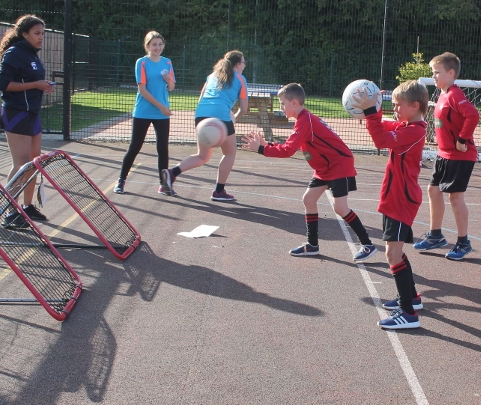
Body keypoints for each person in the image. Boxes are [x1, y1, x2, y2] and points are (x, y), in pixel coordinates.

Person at [240, 83, 377, 262]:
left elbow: (288, 151)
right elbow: (289, 146)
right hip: (325, 168)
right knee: (309, 199)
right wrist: (267, 146)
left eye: (283, 103)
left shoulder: (305, 121)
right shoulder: (303, 120)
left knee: (340, 208)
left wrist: (261, 149)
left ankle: (368, 244)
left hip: (338, 165)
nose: (281, 107)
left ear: (294, 103)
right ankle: (312, 245)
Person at [350, 81, 428, 330]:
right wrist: (373, 109)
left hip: (401, 201)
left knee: (392, 254)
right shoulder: (407, 124)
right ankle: (412, 299)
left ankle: (408, 314)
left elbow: (380, 139)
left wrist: (372, 114)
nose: (394, 109)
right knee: (397, 252)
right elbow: (382, 127)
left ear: (415, 106)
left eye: (398, 105)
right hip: (395, 198)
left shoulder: (415, 130)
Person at [413, 52, 480, 260]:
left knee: (455, 197)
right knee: (433, 190)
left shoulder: (455, 95)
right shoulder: (443, 94)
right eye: (432, 73)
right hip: (444, 155)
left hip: (460, 156)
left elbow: (473, 115)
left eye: (437, 72)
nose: (433, 76)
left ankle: (463, 242)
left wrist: (462, 139)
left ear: (451, 73)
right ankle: (435, 235)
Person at [160, 50, 248, 201]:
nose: (245, 65)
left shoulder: (212, 76)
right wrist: (234, 119)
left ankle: (172, 173)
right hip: (220, 116)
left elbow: (202, 97)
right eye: (244, 62)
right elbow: (244, 108)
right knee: (230, 153)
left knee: (202, 156)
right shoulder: (240, 79)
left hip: (201, 115)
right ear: (238, 64)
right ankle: (219, 191)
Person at [0, 14, 55, 229]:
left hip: (32, 114)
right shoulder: (14, 54)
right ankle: (10, 211)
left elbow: (31, 81)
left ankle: (28, 206)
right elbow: (4, 84)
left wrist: (43, 85)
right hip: (16, 113)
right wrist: (35, 84)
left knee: (33, 162)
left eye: (42, 34)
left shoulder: (32, 55)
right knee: (21, 164)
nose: (41, 38)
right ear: (24, 34)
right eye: (37, 33)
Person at [114, 31, 175, 195]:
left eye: (160, 44)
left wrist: (169, 81)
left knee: (163, 148)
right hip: (143, 112)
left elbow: (171, 87)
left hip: (162, 113)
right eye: (154, 44)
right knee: (135, 146)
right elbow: (142, 90)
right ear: (147, 46)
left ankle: (164, 185)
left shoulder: (167, 62)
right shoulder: (141, 63)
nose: (158, 47)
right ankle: (121, 181)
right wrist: (161, 106)